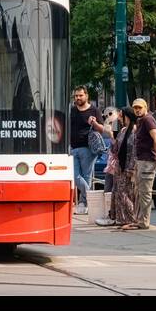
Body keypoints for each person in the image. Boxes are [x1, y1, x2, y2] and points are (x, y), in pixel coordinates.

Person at [125, 98, 156, 230]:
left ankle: (143, 222)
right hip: (142, 160)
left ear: (145, 107)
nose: (137, 110)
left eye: (139, 108)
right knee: (139, 192)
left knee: (144, 193)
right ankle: (139, 220)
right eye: (135, 108)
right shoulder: (141, 120)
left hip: (148, 161)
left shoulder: (148, 120)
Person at [68, 86, 107, 216]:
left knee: (86, 176)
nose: (78, 98)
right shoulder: (72, 111)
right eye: (76, 96)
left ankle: (82, 204)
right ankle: (91, 197)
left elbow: (101, 129)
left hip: (88, 148)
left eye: (80, 95)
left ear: (86, 96)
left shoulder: (94, 110)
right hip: (73, 148)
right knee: (75, 175)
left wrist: (94, 123)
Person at [98, 108, 136, 227]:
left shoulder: (135, 131)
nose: (119, 119)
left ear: (127, 117)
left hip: (128, 167)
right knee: (118, 192)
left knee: (126, 194)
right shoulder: (123, 131)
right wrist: (111, 136)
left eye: (121, 116)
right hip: (120, 166)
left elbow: (134, 151)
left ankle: (130, 219)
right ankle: (119, 218)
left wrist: (131, 168)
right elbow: (115, 149)